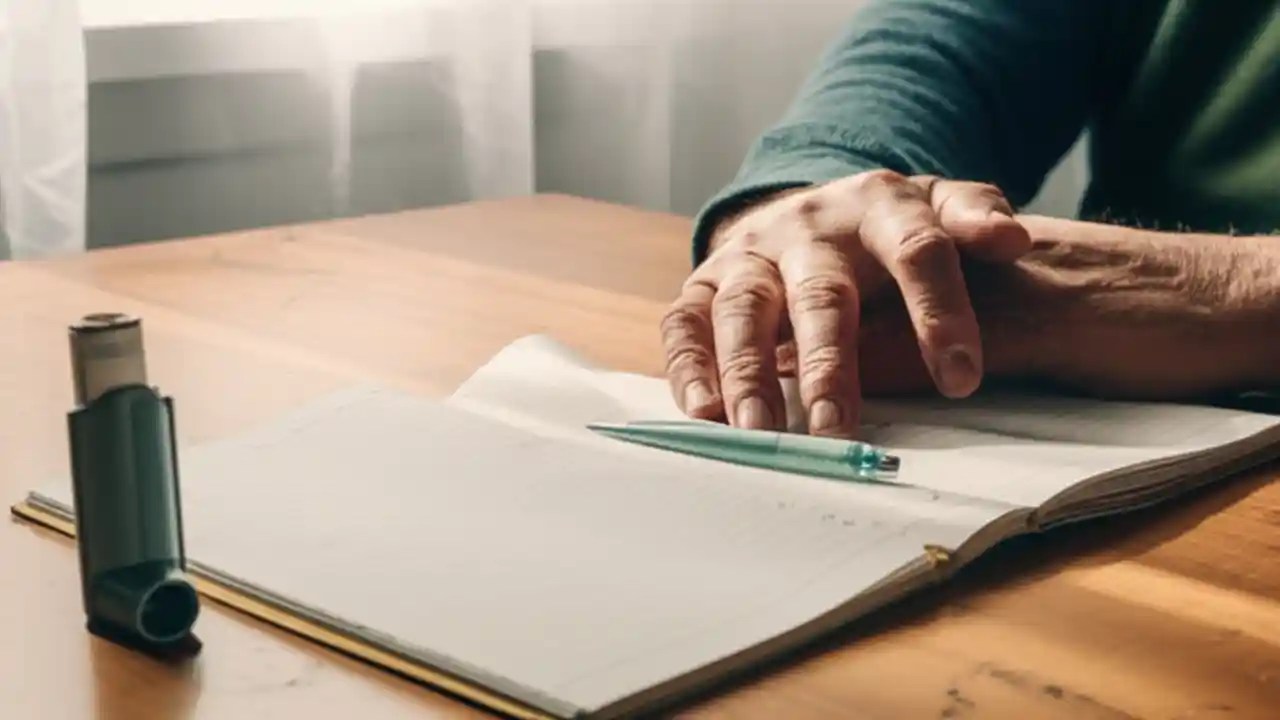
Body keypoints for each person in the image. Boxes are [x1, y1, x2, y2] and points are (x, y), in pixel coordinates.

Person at [661, 0, 1280, 438]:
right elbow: (933, 46)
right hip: (1110, 430)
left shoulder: (1055, 300)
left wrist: (1199, 290)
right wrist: (824, 202)